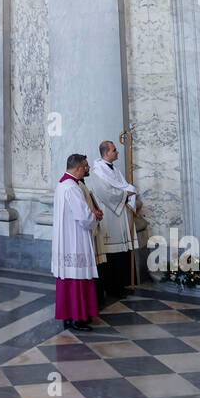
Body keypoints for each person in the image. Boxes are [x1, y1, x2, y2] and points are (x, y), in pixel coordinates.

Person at [52, 154, 103, 332]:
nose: (87, 170)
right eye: (86, 167)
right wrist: (95, 217)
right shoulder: (72, 188)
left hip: (66, 238)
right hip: (75, 239)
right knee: (78, 278)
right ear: (78, 168)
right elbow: (84, 217)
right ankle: (77, 318)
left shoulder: (62, 185)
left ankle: (68, 317)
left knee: (69, 278)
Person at [89, 141, 142, 298]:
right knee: (111, 256)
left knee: (121, 254)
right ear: (106, 153)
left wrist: (128, 191)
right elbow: (106, 192)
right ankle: (112, 288)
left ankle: (120, 285)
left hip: (119, 214)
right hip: (110, 216)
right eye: (114, 150)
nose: (117, 152)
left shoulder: (115, 169)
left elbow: (122, 186)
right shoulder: (97, 171)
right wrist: (126, 195)